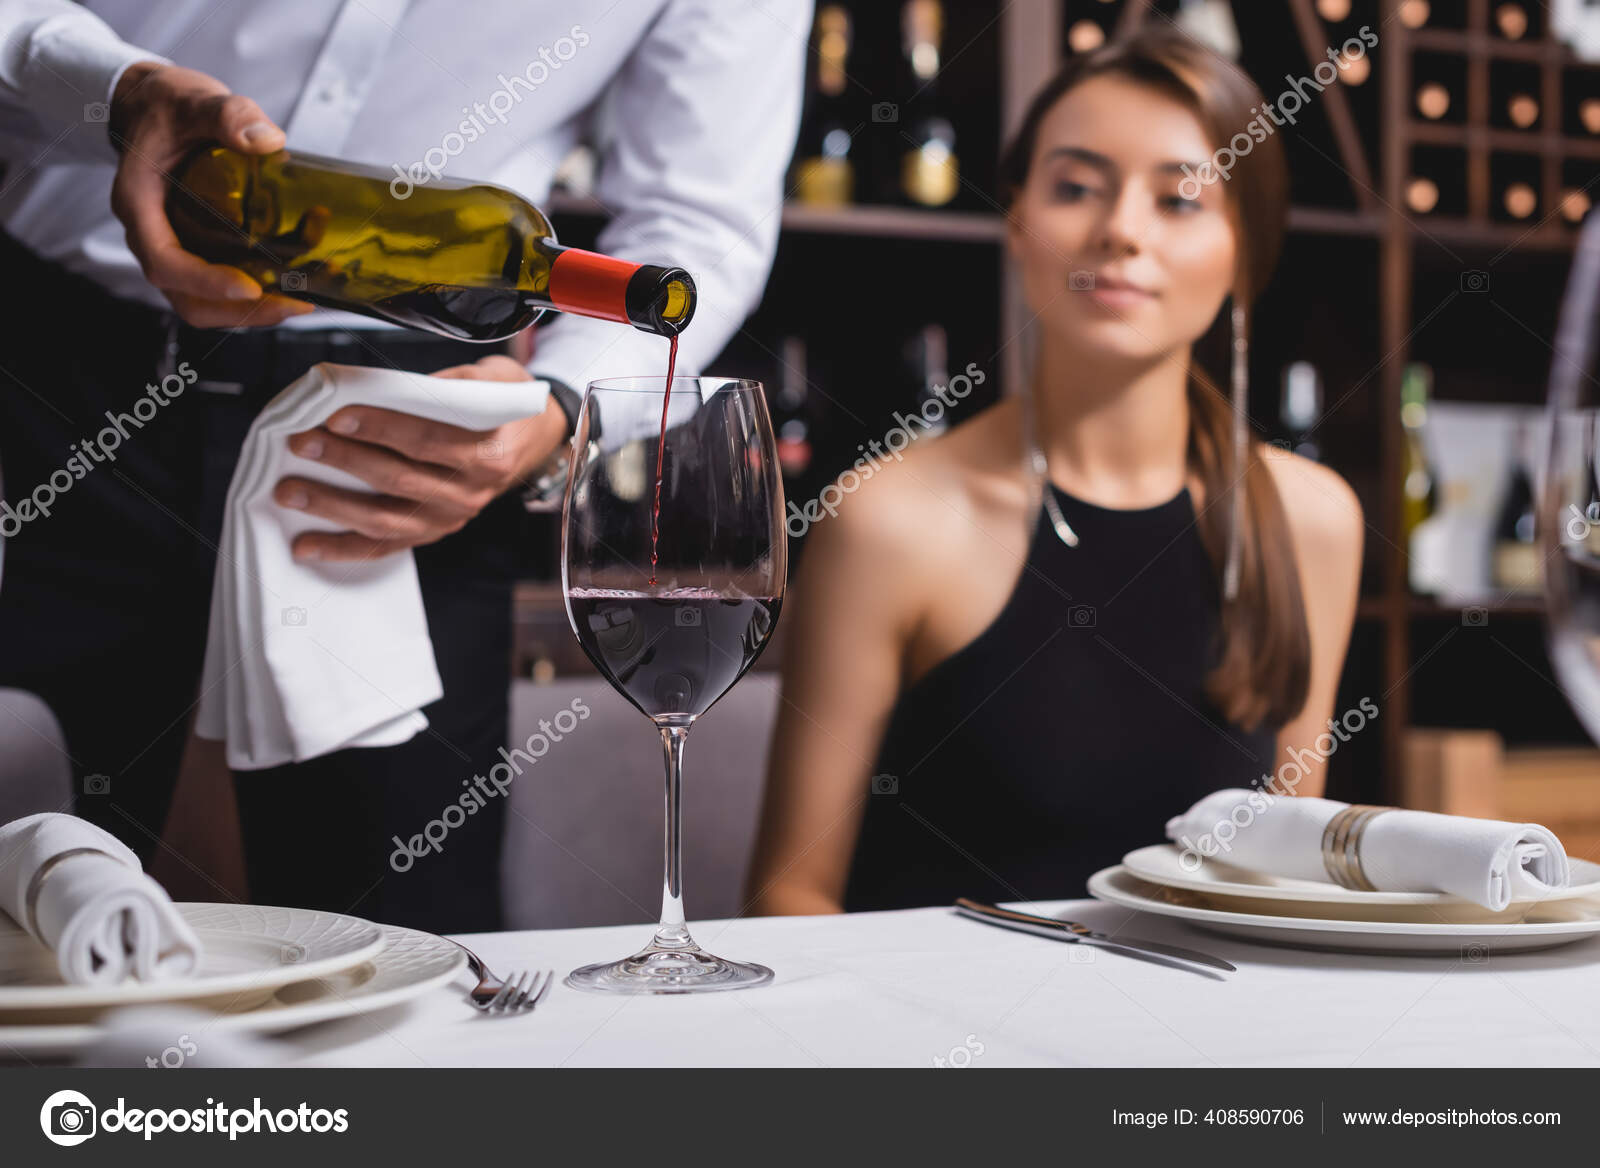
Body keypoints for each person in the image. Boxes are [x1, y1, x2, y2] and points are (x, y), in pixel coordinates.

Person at [0, 0, 808, 931]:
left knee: (405, 924)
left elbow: (700, 217)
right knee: (27, 860)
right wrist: (117, 91)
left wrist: (555, 410)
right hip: (54, 380)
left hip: (413, 430)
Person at [747, 28, 1364, 915]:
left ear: (1245, 251)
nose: (1119, 231)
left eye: (1180, 199)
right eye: (1076, 187)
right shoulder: (890, 519)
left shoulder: (1313, 520)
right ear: (1018, 224)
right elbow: (788, 899)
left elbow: (1288, 884)